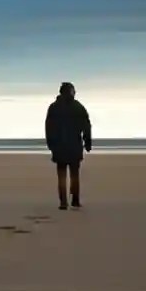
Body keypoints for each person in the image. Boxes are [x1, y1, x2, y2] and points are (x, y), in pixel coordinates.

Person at [45, 81, 92, 210]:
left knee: (62, 175)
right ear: (70, 92)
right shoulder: (78, 107)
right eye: (73, 90)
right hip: (74, 146)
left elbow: (48, 127)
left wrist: (50, 144)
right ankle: (75, 200)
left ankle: (63, 202)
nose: (75, 93)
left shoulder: (54, 107)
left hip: (59, 147)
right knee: (74, 174)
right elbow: (86, 126)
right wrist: (87, 142)